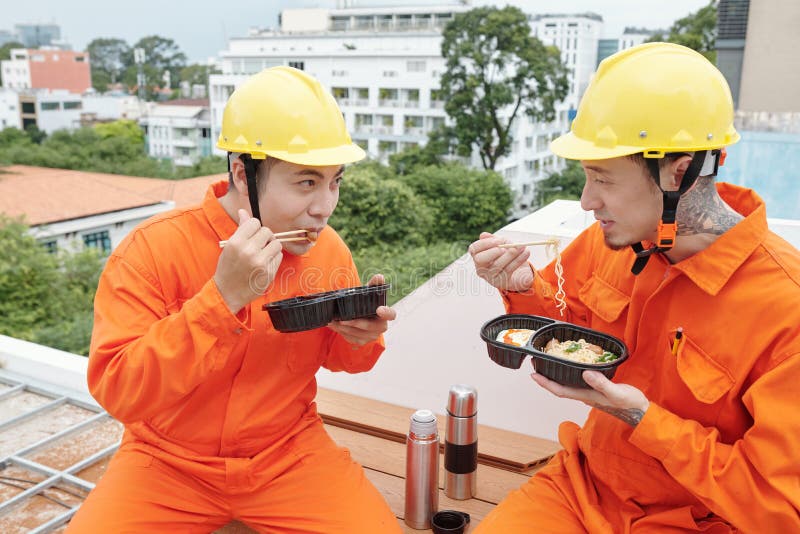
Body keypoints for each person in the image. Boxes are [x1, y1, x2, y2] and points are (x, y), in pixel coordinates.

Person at [469, 43, 800, 532]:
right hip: (582, 490)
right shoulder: (612, 240)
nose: (586, 202)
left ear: (678, 172)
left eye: (602, 179)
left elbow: (776, 505)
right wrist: (522, 289)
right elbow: (571, 333)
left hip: (702, 522)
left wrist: (645, 420)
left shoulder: (784, 306)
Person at [68, 66, 401, 533]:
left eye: (334, 182)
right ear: (243, 174)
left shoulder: (326, 248)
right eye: (306, 183)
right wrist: (221, 298)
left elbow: (343, 359)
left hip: (289, 454)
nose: (325, 206)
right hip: (165, 463)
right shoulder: (150, 251)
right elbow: (120, 391)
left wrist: (361, 337)